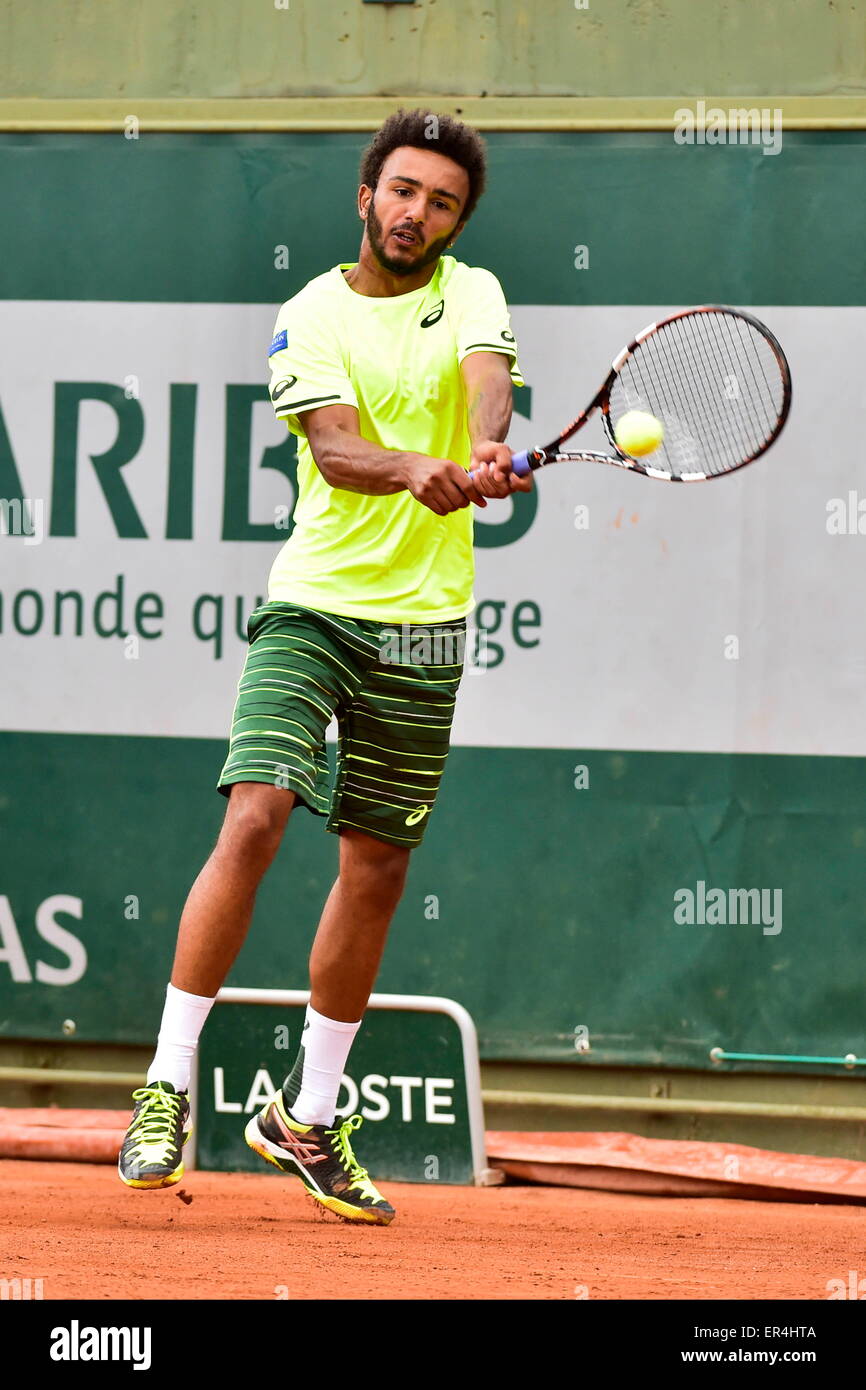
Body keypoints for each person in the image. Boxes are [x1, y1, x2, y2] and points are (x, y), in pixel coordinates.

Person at [117, 107, 530, 1225]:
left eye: (441, 201)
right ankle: (164, 1084)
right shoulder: (308, 312)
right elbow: (338, 451)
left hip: (426, 626)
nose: (417, 212)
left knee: (377, 869)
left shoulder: (476, 293)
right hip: (314, 605)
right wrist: (417, 468)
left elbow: (487, 380)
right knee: (254, 814)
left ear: (457, 218)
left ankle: (307, 1114)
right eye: (402, 191)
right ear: (365, 196)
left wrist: (485, 445)